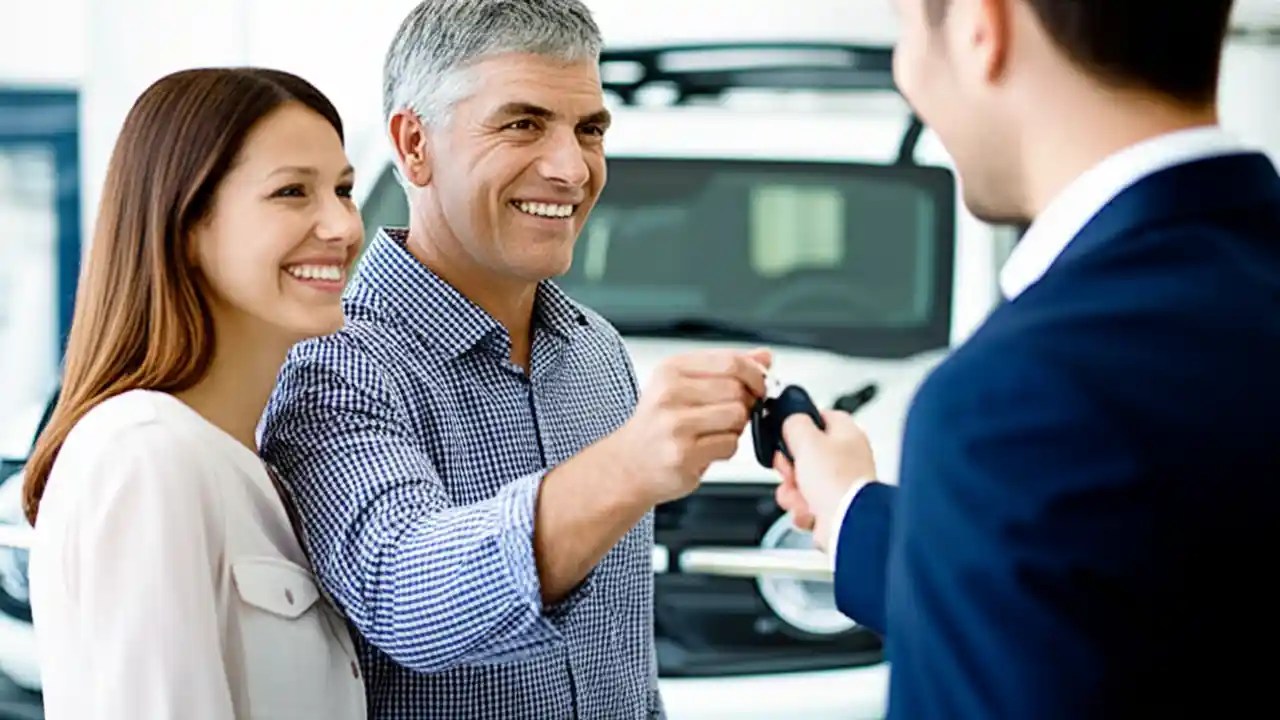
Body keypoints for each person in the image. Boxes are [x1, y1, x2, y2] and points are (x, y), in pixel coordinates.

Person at [258, 1, 769, 718]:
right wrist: (625, 468)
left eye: (589, 130)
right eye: (522, 124)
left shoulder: (597, 353)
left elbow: (625, 666)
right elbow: (403, 591)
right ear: (413, 145)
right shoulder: (329, 365)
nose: (570, 169)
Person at [774, 0, 1280, 717]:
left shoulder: (1014, 401)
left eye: (907, 28)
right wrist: (850, 510)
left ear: (984, 28)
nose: (907, 72)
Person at [23, 67, 368, 719]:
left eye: (344, 191)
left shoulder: (241, 460)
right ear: (185, 226)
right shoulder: (146, 454)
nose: (343, 227)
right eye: (292, 192)